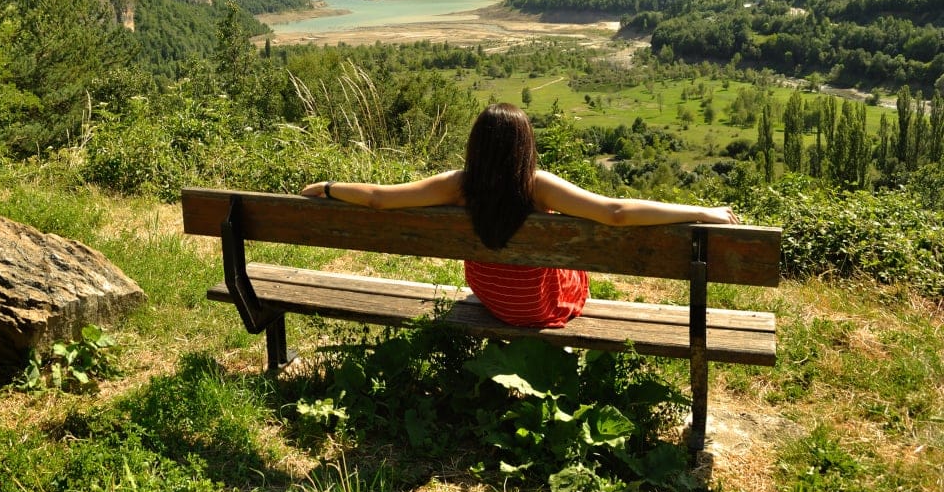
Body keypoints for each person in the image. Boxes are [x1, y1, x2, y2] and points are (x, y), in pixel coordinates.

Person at [301, 102, 739, 328]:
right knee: (575, 267)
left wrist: (326, 187)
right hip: (539, 307)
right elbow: (616, 213)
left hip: (491, 298)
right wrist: (703, 210)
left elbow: (379, 198)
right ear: (525, 146)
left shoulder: (458, 184)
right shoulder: (537, 185)